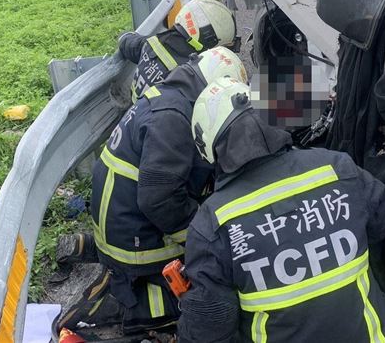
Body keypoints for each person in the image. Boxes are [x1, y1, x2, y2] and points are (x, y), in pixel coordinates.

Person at [178, 78, 385, 342]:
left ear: (209, 144)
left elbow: (208, 329)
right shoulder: (337, 168)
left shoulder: (213, 223)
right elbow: (382, 222)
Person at [56, 47, 248, 334]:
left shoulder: (170, 95)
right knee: (218, 277)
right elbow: (161, 201)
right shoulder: (175, 118)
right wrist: (205, 236)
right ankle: (127, 310)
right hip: (134, 246)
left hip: (121, 223)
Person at [119, 0, 236, 101]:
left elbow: (127, 42)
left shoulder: (153, 43)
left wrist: (125, 37)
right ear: (209, 39)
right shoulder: (192, 76)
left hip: (134, 114)